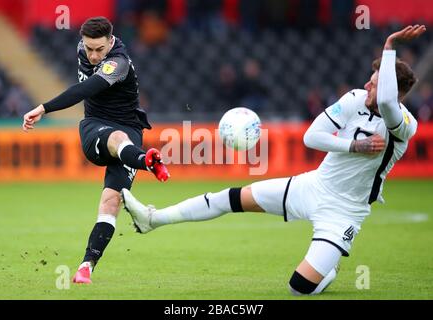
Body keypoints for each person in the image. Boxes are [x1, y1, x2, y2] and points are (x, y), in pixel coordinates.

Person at [121, 25, 425, 295]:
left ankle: (327, 271)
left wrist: (388, 48)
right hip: (313, 186)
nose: (368, 87)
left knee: (299, 288)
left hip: (345, 212)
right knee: (231, 198)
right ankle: (153, 219)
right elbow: (311, 137)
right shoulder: (355, 98)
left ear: (397, 93)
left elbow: (385, 100)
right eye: (371, 80)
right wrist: (353, 146)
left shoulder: (404, 126)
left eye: (375, 83)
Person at [22, 17, 170, 284]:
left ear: (110, 41)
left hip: (131, 128)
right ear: (83, 42)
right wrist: (45, 108)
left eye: (99, 50)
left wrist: (44, 107)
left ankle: (86, 266)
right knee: (117, 137)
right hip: (95, 126)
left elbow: (87, 87)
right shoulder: (83, 48)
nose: (93, 55)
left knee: (111, 200)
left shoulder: (119, 63)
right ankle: (146, 161)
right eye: (89, 48)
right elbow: (84, 91)